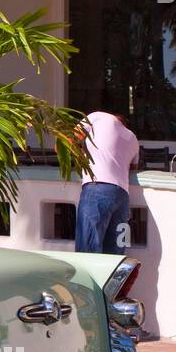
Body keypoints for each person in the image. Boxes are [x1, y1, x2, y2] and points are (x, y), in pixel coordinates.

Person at [75, 109, 140, 254]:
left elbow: (70, 140)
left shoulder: (97, 117)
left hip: (97, 187)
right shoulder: (133, 138)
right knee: (116, 252)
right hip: (123, 196)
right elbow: (133, 168)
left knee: (88, 247)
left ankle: (89, 278)